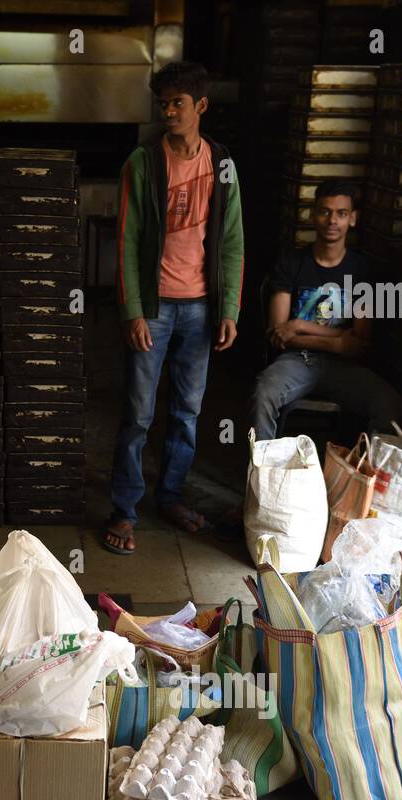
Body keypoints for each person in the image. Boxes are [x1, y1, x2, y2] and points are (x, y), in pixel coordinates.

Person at [103, 61, 245, 556]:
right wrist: (132, 310)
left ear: (200, 106)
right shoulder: (142, 163)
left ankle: (171, 497)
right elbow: (126, 241)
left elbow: (231, 241)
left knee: (187, 412)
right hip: (156, 306)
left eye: (177, 103)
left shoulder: (221, 163)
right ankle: (125, 508)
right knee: (138, 413)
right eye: (162, 103)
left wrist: (229, 307)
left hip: (200, 308)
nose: (168, 111)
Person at [249, 180, 402, 443]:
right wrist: (337, 342)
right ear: (313, 215)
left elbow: (358, 343)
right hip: (297, 361)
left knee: (389, 403)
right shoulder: (291, 262)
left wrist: (299, 324)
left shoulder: (362, 270)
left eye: (341, 213)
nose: (332, 220)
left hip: (344, 368)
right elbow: (277, 333)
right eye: (325, 211)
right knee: (264, 392)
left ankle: (367, 476)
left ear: (352, 219)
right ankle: (263, 472)